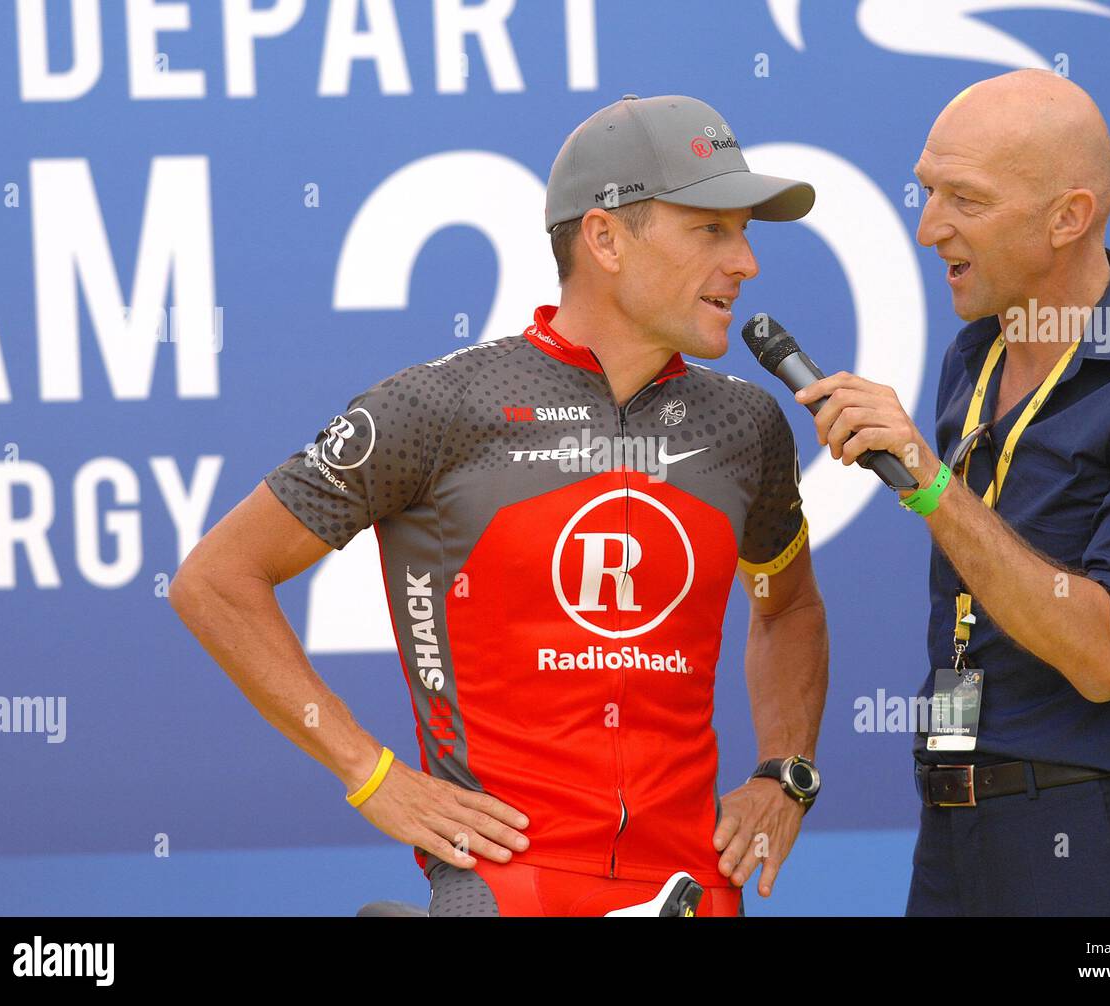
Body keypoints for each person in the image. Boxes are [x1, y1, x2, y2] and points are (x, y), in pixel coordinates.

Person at [169, 94, 830, 917]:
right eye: (711, 231)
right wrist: (368, 774)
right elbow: (216, 579)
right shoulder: (439, 407)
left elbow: (789, 606)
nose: (746, 262)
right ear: (605, 238)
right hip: (509, 887)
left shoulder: (746, 423)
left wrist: (785, 773)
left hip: (694, 888)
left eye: (745, 233)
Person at [794, 69, 1110, 915]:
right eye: (928, 190)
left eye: (964, 200)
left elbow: (1105, 654)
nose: (929, 227)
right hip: (955, 839)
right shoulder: (976, 354)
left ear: (1068, 218)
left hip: (1105, 850)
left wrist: (932, 485)